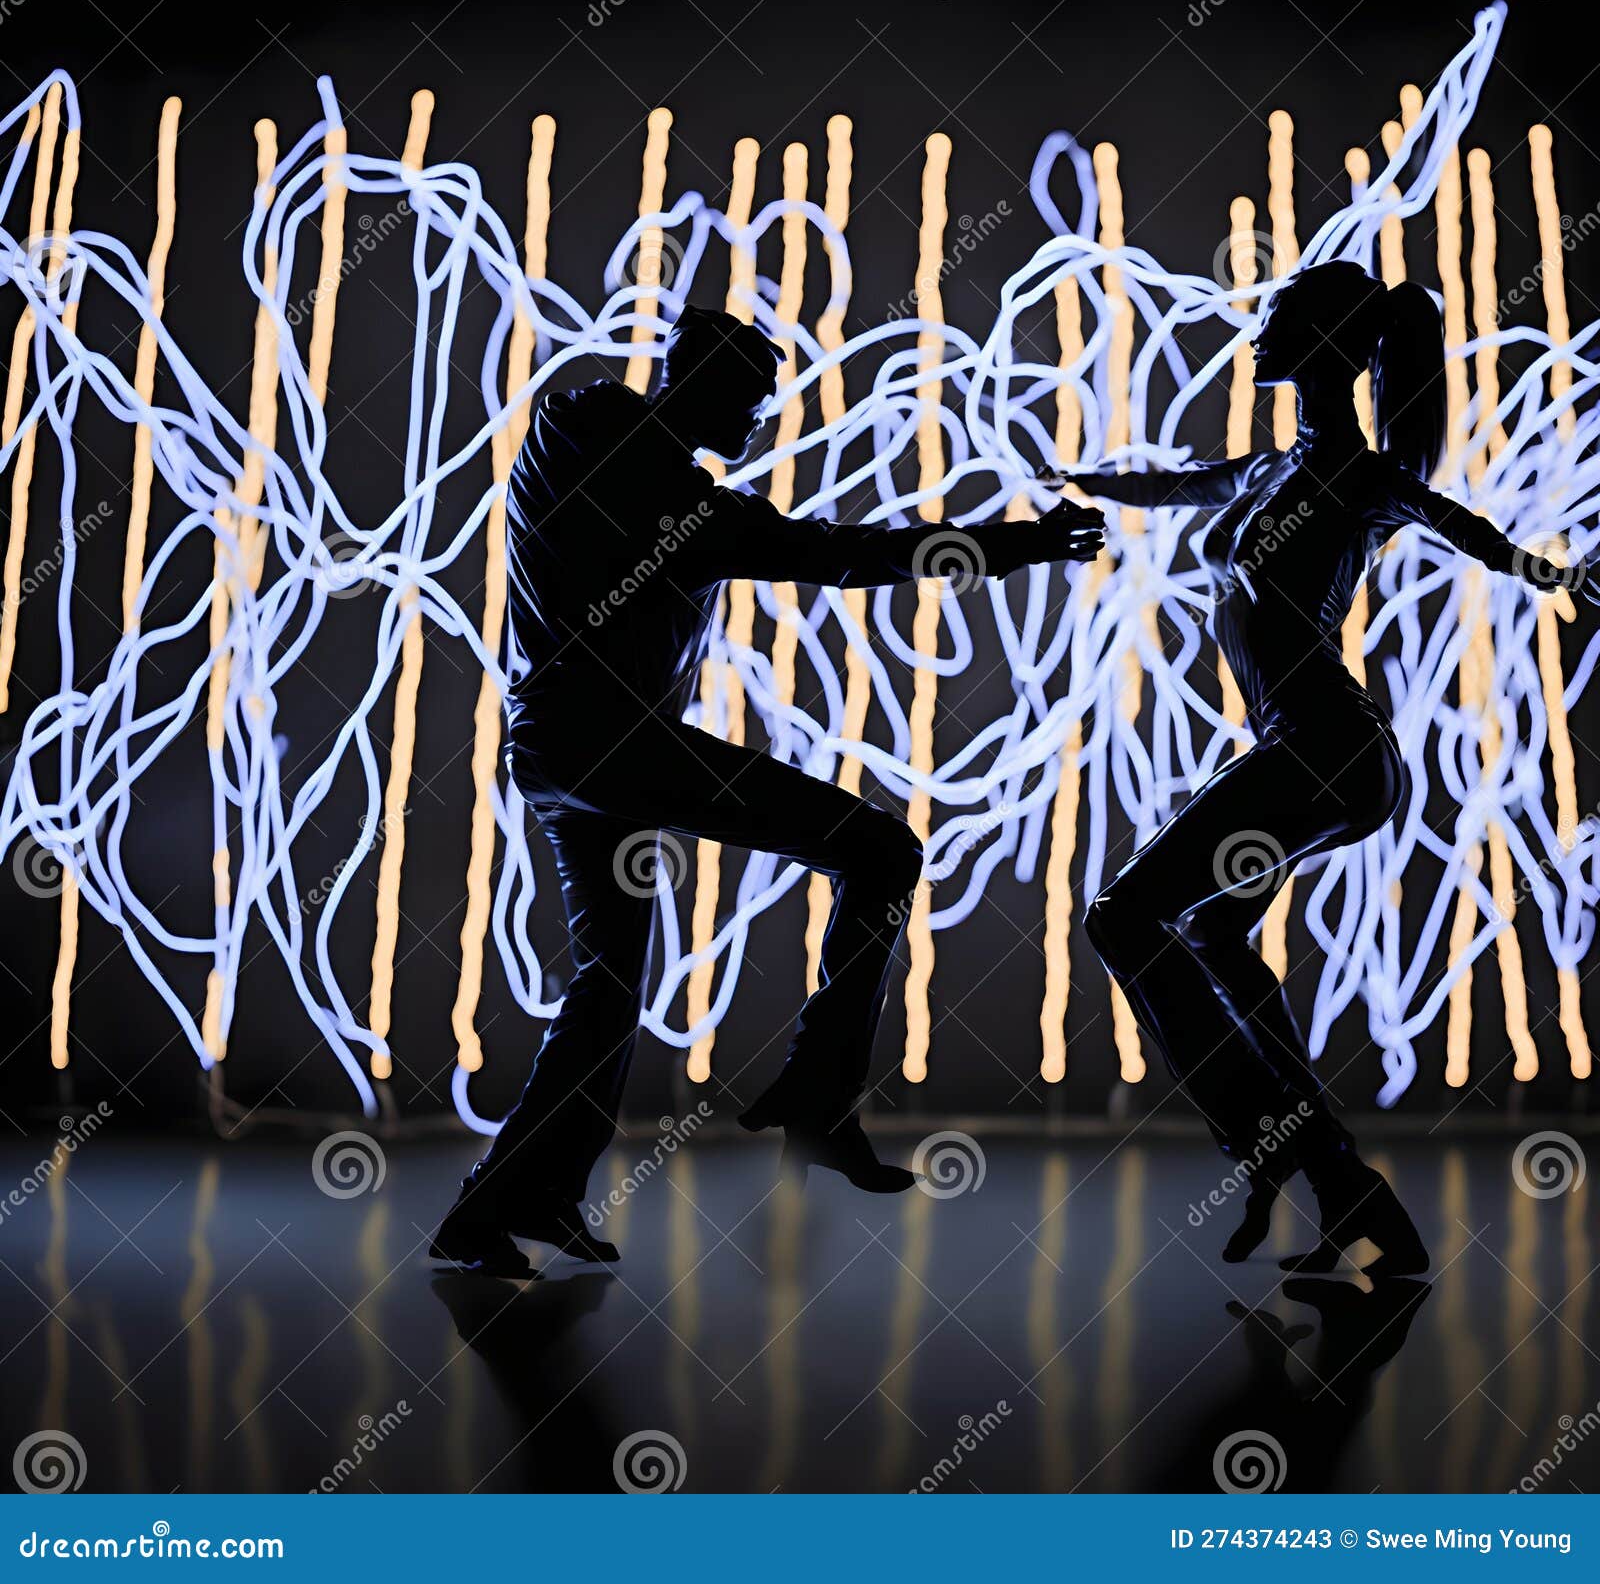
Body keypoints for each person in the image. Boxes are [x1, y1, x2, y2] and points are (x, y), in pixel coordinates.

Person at [431, 305, 1105, 1274]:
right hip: (621, 748)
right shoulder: (688, 509)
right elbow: (847, 556)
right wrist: (1021, 545)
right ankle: (819, 1097)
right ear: (701, 385)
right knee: (880, 849)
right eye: (747, 399)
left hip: (549, 747)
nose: (757, 422)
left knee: (609, 984)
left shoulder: (565, 428)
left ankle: (504, 1201)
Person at [1060, 260, 1593, 1276]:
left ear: (1327, 348)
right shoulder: (1267, 470)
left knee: (1122, 916)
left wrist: (1560, 579)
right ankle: (1327, 1181)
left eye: (1277, 320)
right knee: (1208, 926)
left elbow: (1467, 533)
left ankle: (1301, 1158)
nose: (1256, 334)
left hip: (1331, 755)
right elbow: (1173, 487)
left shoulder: (1360, 480)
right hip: (1298, 753)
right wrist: (1080, 483)